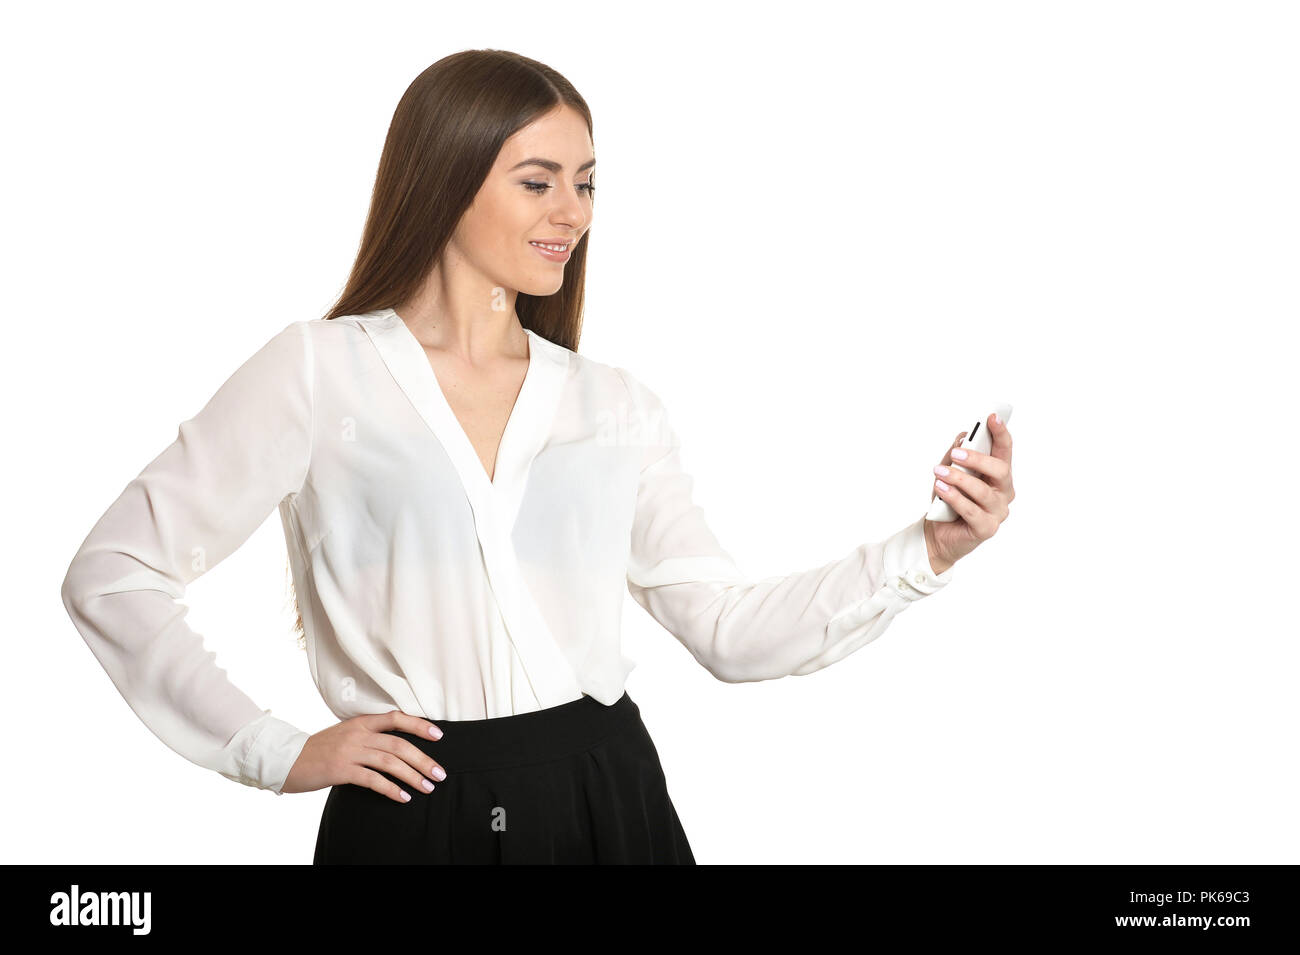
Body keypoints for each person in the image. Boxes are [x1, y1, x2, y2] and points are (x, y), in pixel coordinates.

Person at [59, 49, 1015, 865]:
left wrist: (926, 552)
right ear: (445, 178)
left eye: (587, 180)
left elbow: (726, 630)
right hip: (414, 811)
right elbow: (114, 573)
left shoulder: (613, 405)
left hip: (611, 798)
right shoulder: (317, 372)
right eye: (538, 179)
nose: (574, 211)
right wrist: (271, 749)